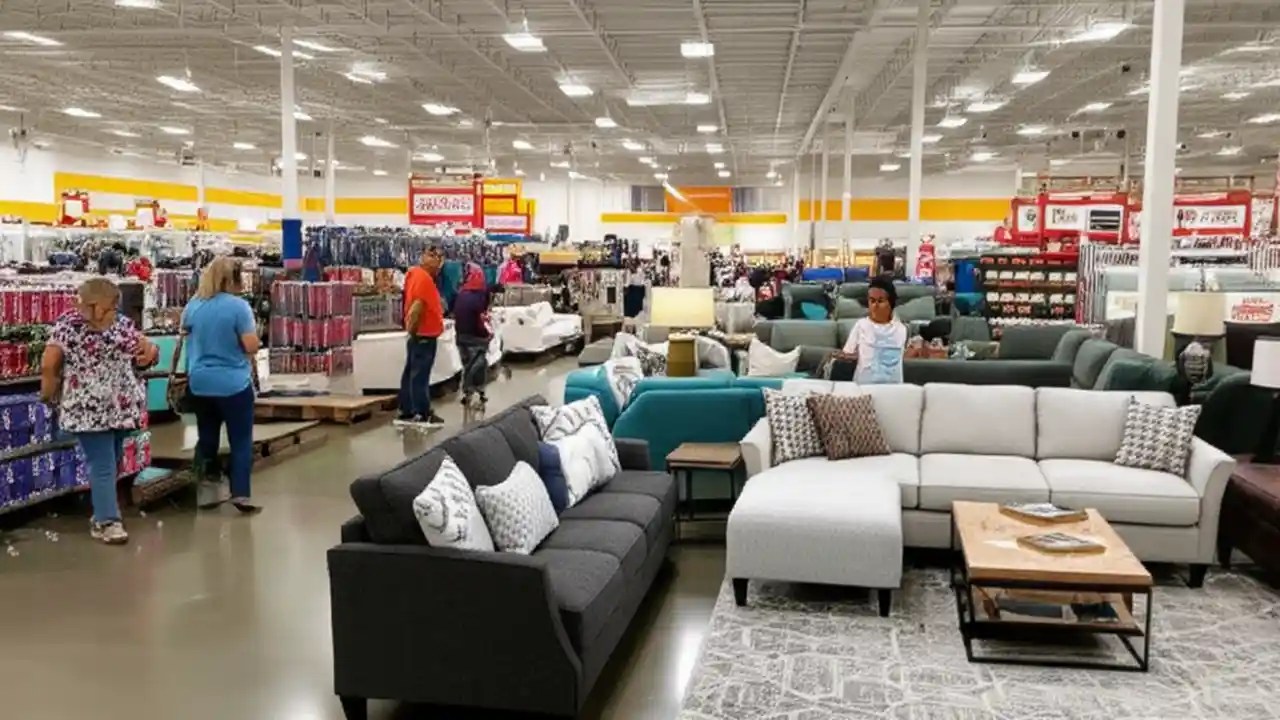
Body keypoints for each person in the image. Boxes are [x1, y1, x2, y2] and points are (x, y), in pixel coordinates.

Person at [40, 278, 158, 545]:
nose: (103, 313)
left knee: (111, 460)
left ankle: (100, 515)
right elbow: (49, 365)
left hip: (120, 407)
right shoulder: (68, 326)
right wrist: (48, 395)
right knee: (103, 463)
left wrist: (149, 353)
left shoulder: (122, 325)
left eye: (107, 307)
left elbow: (147, 350)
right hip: (88, 410)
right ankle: (108, 521)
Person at [183, 257, 261, 513]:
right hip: (233, 384)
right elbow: (250, 345)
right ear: (233, 279)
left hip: (200, 383)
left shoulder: (193, 306)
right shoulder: (239, 307)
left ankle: (205, 490)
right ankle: (241, 494)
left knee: (207, 438)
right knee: (240, 440)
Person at [398, 244, 446, 428]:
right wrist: (413, 328)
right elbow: (417, 307)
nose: (438, 262)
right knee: (420, 376)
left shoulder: (414, 275)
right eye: (434, 257)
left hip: (418, 334)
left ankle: (407, 410)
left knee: (410, 372)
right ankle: (422, 413)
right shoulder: (424, 279)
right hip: (424, 334)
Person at [840, 276, 908, 384]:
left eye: (880, 301)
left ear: (891, 303)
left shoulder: (902, 330)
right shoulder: (861, 325)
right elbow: (847, 355)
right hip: (863, 389)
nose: (875, 306)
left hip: (894, 391)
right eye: (872, 301)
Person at [453, 263, 492, 409]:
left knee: (467, 364)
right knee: (478, 365)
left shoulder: (462, 293)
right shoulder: (479, 295)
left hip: (460, 336)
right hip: (475, 337)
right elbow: (480, 319)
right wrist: (487, 334)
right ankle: (476, 389)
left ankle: (467, 391)